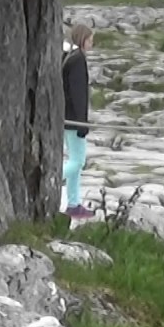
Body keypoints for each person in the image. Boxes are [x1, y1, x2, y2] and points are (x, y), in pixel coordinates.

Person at [62, 24, 94, 219]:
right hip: (74, 119)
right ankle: (52, 178)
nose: (91, 43)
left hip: (66, 116)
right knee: (77, 161)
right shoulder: (78, 60)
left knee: (74, 160)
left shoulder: (69, 57)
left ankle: (73, 204)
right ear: (82, 39)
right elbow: (78, 93)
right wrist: (83, 122)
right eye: (89, 39)